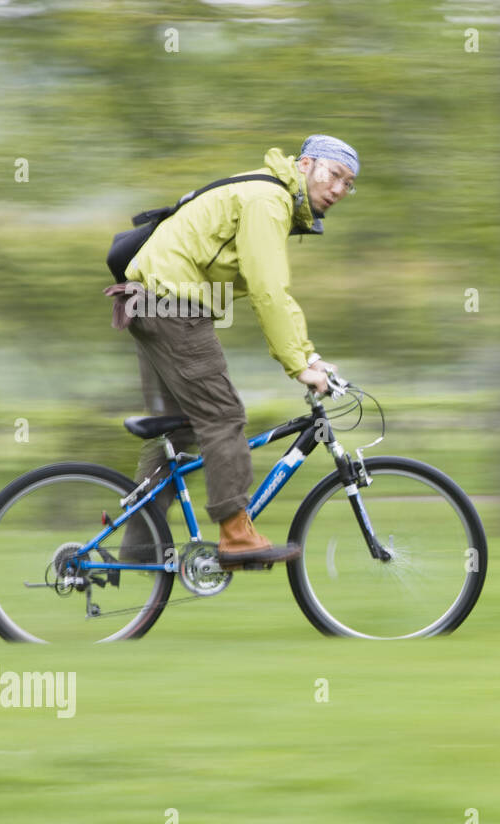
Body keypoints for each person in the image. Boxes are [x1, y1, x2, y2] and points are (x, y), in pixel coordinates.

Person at [115, 135, 359, 570]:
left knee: (182, 429)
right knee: (224, 417)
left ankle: (139, 545)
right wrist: (300, 364)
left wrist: (307, 355)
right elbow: (269, 290)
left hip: (147, 301)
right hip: (172, 304)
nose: (340, 189)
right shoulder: (269, 200)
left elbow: (265, 291)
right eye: (335, 174)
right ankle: (235, 535)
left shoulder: (263, 193)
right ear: (305, 165)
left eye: (349, 184)